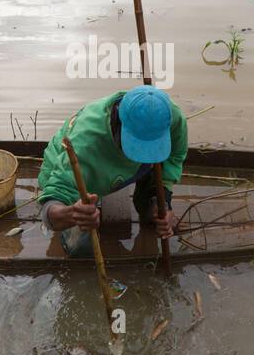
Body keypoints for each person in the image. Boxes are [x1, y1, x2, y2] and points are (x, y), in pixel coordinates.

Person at [38, 86, 186, 256]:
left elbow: (175, 157)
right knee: (82, 249)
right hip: (78, 176)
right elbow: (51, 206)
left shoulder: (166, 116)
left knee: (154, 215)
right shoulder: (85, 144)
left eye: (149, 148)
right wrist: (72, 213)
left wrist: (163, 203)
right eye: (136, 147)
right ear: (119, 126)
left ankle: (149, 206)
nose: (142, 155)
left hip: (125, 170)